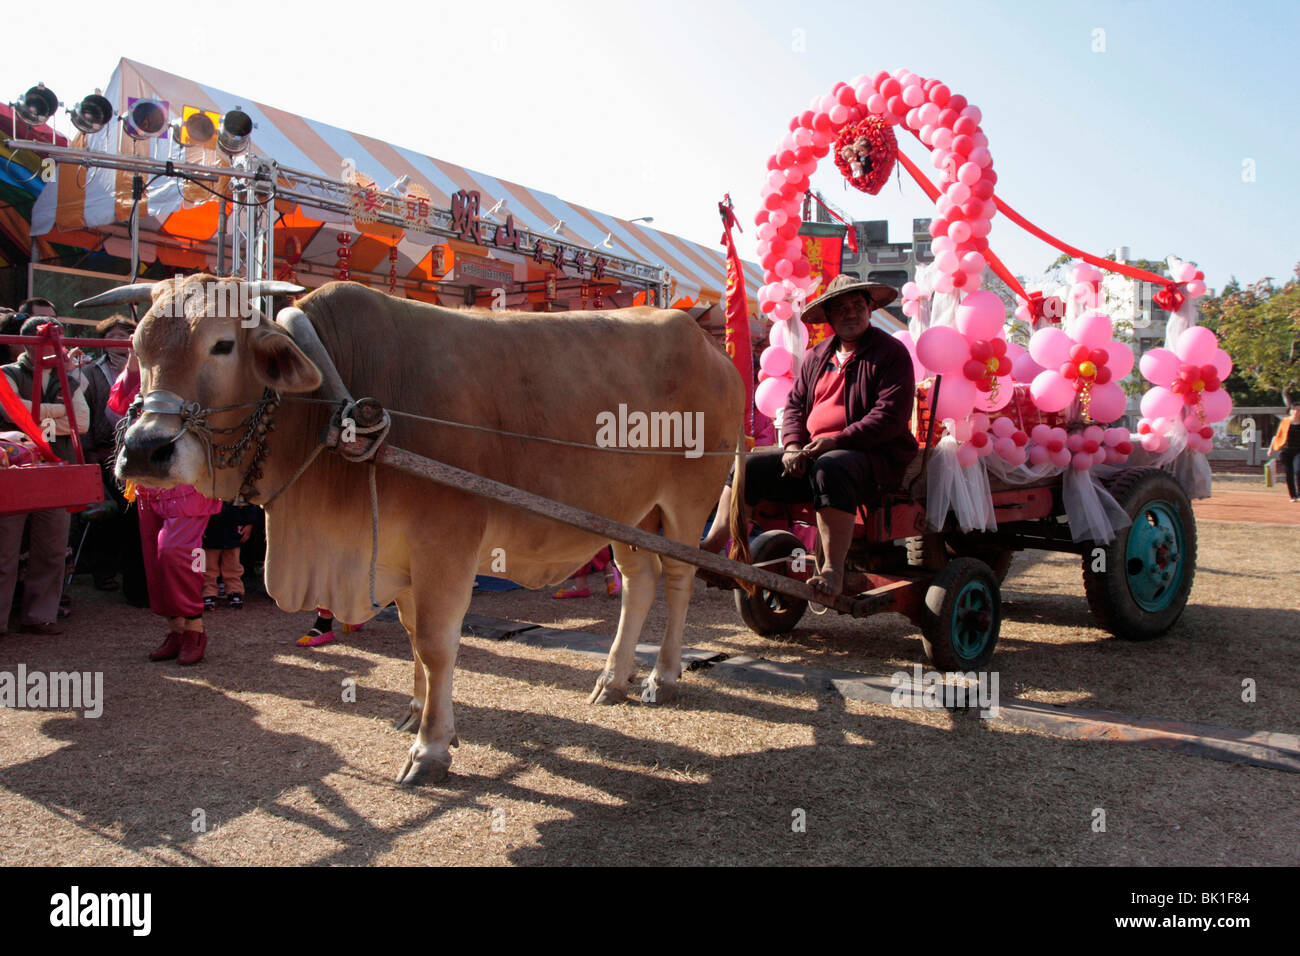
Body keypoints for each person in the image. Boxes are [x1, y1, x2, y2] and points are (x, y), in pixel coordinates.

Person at [701, 275, 918, 598]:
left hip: (874, 457)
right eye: (841, 308)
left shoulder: (890, 353)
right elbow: (794, 409)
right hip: (814, 454)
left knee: (831, 467)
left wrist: (837, 441)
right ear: (829, 318)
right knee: (748, 467)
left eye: (857, 306)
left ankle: (832, 569)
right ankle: (712, 545)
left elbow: (888, 416)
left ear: (870, 309)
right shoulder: (817, 356)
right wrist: (791, 446)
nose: (850, 314)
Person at [108, 352, 222, 664]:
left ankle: (195, 627)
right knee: (155, 561)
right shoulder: (147, 380)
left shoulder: (199, 373)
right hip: (147, 483)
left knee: (176, 551)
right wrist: (133, 365)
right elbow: (117, 405)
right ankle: (176, 630)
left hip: (189, 481)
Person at [0, 315, 90, 636]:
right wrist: (55, 412)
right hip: (14, 472)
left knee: (52, 547)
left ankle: (40, 615)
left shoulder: (70, 379)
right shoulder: (6, 374)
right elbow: (13, 413)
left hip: (56, 471)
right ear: (28, 343)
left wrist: (35, 415)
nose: (59, 350)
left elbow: (81, 422)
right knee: (5, 549)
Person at [202, 502, 256, 610]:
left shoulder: (237, 486)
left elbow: (249, 502)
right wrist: (198, 524)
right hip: (210, 528)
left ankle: (234, 591)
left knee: (233, 565)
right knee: (209, 565)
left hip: (233, 527)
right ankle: (208, 592)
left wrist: (249, 523)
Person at [1270, 406, 1300, 502]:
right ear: (1290, 411)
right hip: (1286, 451)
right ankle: (1293, 495)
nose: (1296, 412)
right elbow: (1277, 435)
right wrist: (1271, 449)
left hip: (1298, 451)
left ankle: (1299, 494)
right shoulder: (1285, 421)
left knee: (1298, 471)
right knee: (1288, 473)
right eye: (1294, 409)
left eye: (1299, 410)